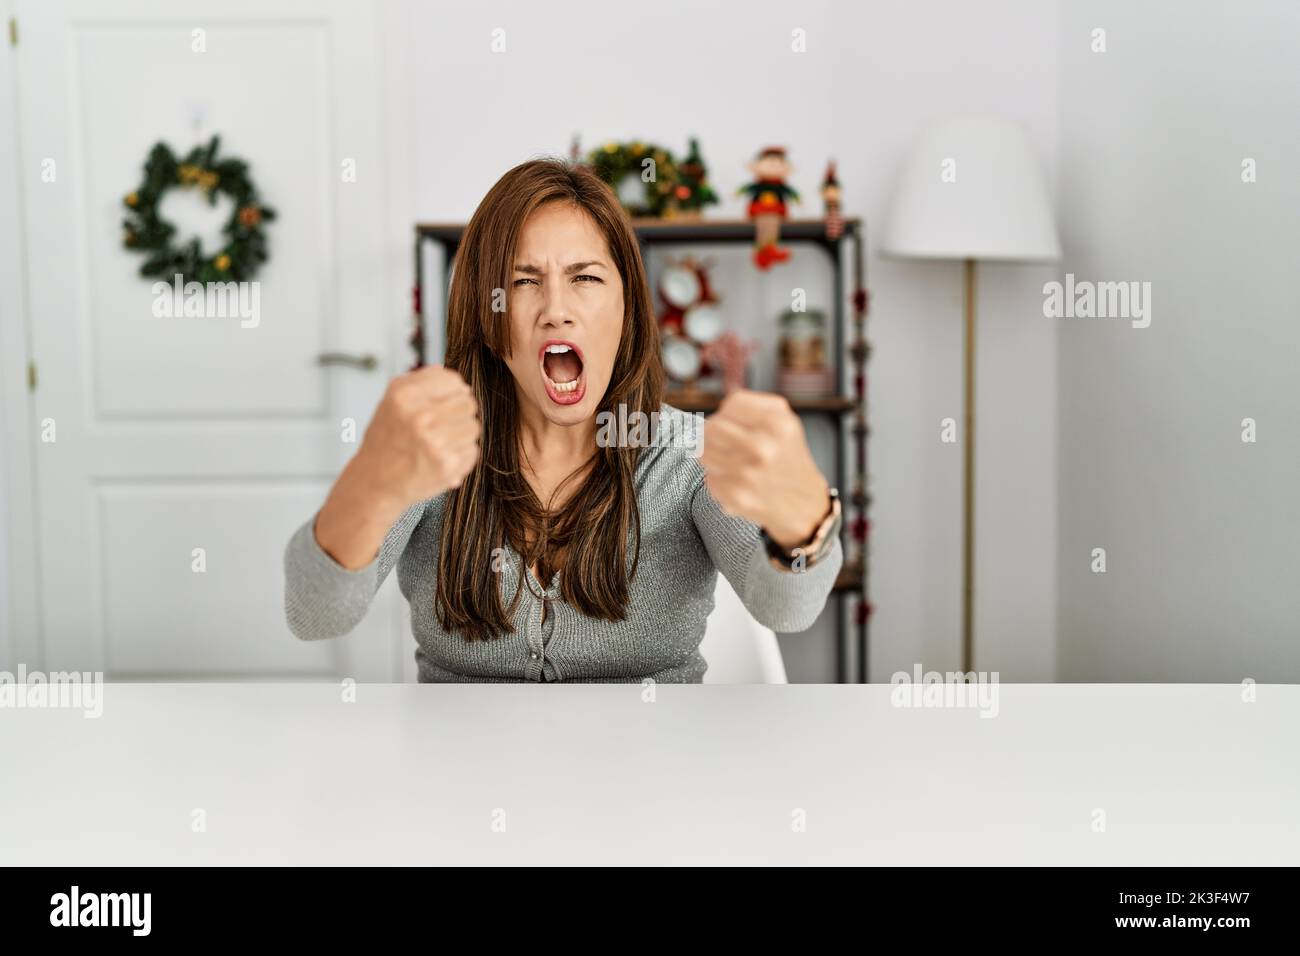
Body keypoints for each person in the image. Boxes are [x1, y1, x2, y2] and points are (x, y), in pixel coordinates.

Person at [283, 157, 842, 682]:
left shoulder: (684, 452)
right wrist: (371, 484)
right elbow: (315, 615)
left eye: (586, 278)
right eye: (524, 282)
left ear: (627, 310)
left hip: (653, 773)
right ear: (487, 314)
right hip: (457, 774)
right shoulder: (433, 450)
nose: (555, 309)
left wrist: (805, 524)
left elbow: (787, 608)